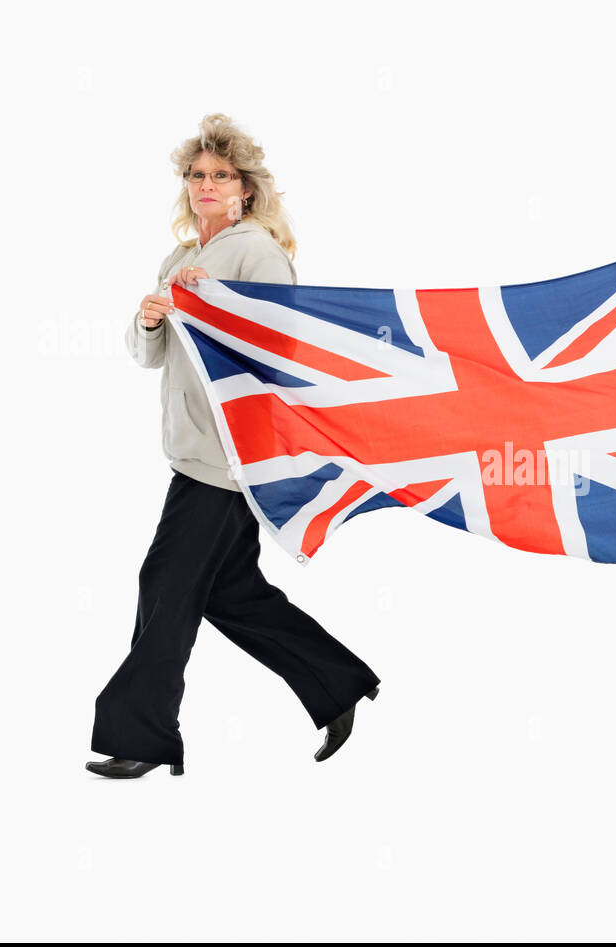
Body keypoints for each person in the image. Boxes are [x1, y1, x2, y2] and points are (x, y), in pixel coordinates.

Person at [87, 113, 380, 779]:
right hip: (192, 450)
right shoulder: (180, 257)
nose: (208, 185)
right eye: (198, 175)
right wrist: (149, 318)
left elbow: (279, 346)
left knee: (164, 584)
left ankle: (141, 737)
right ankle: (337, 681)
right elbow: (149, 357)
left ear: (246, 188)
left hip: (231, 461)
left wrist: (210, 307)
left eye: (222, 176)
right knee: (230, 592)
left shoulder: (255, 252)